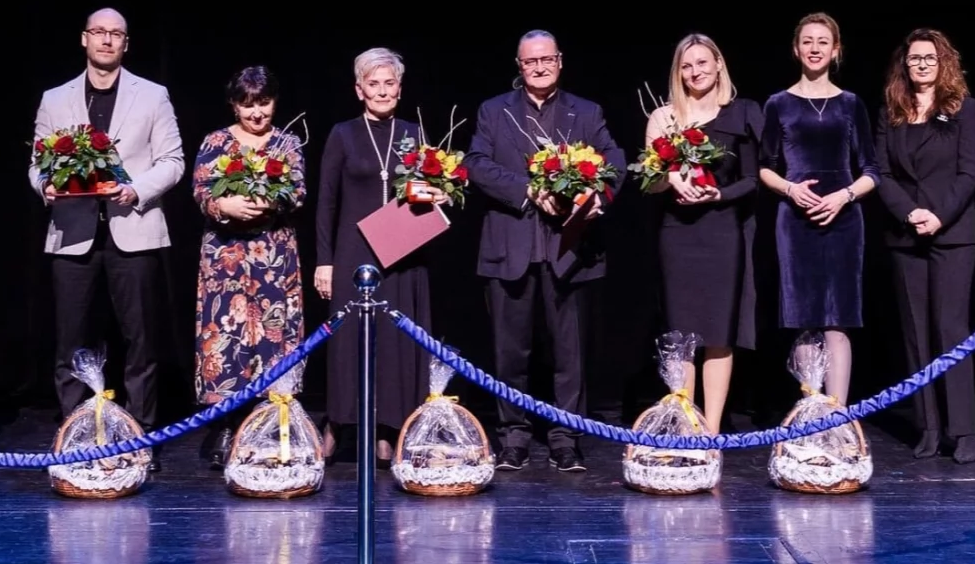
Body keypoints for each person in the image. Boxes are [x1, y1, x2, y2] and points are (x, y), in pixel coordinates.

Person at [28, 8, 184, 471]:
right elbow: (38, 163)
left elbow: (173, 160)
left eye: (116, 34)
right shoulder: (55, 98)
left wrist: (135, 188)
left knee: (140, 344)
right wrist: (44, 185)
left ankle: (139, 441)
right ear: (84, 39)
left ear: (126, 44)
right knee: (70, 343)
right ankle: (74, 439)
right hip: (73, 233)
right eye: (99, 32)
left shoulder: (153, 96)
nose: (107, 40)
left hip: (133, 229)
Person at [466, 29, 626, 472]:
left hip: (570, 250)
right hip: (510, 247)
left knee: (569, 356)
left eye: (547, 59)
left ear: (560, 61)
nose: (539, 67)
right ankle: (513, 437)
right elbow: (475, 163)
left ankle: (565, 438)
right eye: (530, 61)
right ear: (519, 66)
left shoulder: (586, 112)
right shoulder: (493, 111)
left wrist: (598, 197)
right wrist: (528, 191)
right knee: (510, 354)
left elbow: (615, 160)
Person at [314, 47, 445, 466]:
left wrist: (440, 193)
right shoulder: (343, 133)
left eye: (390, 83)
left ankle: (389, 432)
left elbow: (427, 188)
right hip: (354, 253)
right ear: (359, 89)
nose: (383, 90)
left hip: (403, 253)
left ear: (400, 88)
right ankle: (337, 424)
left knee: (395, 345)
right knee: (347, 344)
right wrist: (324, 262)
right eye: (374, 83)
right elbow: (326, 203)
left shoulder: (414, 132)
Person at [758, 12, 879, 404]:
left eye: (822, 41)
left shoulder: (851, 104)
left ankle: (838, 416)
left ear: (836, 50)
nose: (815, 48)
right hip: (796, 221)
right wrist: (792, 190)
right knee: (806, 320)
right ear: (796, 49)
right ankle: (812, 412)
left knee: (839, 319)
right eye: (807, 41)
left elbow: (872, 171)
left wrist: (844, 195)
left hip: (844, 220)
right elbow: (763, 167)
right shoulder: (778, 104)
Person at [643, 33, 761, 433]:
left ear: (718, 65)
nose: (695, 72)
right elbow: (649, 183)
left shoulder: (742, 112)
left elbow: (752, 179)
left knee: (718, 333)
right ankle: (685, 426)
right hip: (677, 234)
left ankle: (710, 432)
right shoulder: (664, 118)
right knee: (680, 335)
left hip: (722, 232)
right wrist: (671, 178)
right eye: (686, 66)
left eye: (702, 63)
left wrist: (717, 194)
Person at [875, 28, 975, 464]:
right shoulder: (891, 112)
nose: (921, 65)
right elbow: (881, 171)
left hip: (952, 233)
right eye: (915, 58)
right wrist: (909, 213)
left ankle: (964, 431)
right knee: (917, 335)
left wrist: (936, 215)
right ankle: (930, 428)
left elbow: (969, 173)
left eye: (930, 58)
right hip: (905, 234)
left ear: (943, 64)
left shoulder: (964, 109)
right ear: (905, 63)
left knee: (950, 330)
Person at [193, 66, 307, 468]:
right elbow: (201, 190)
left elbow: (297, 190)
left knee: (274, 341)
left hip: (273, 257)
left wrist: (270, 201)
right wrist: (224, 205)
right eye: (247, 105)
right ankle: (226, 427)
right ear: (234, 104)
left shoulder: (287, 143)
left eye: (264, 103)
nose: (257, 113)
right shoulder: (216, 141)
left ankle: (273, 426)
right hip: (226, 260)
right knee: (227, 340)